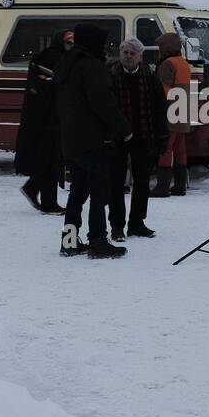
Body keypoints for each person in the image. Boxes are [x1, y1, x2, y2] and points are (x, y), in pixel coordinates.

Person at [55, 24, 131, 259]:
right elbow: (103, 104)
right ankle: (98, 240)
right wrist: (124, 128)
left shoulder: (67, 64)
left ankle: (69, 241)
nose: (106, 49)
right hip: (94, 140)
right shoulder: (92, 67)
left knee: (77, 192)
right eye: (103, 43)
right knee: (99, 193)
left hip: (71, 140)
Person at [108, 38, 168, 241]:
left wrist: (162, 135)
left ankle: (137, 222)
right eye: (125, 51)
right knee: (116, 182)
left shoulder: (150, 76)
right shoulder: (111, 75)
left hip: (143, 134)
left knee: (142, 182)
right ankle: (117, 225)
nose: (128, 55)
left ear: (140, 56)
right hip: (117, 136)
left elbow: (160, 108)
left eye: (132, 53)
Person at [15, 31, 71, 213]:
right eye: (68, 41)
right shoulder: (57, 58)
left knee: (49, 159)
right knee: (53, 160)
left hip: (42, 117)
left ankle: (36, 190)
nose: (71, 45)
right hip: (51, 118)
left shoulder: (45, 56)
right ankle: (47, 200)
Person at [151, 31, 193, 197]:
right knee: (180, 149)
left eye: (161, 47)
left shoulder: (167, 63)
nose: (159, 50)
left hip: (170, 111)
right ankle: (180, 186)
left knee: (166, 149)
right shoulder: (183, 62)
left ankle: (162, 187)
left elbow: (164, 89)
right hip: (183, 111)